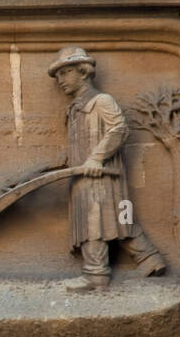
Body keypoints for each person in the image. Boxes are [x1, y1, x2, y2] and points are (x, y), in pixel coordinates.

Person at [48, 46, 165, 292]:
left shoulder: (101, 101)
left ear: (84, 72)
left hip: (100, 174)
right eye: (57, 76)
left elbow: (118, 129)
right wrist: (59, 163)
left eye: (66, 72)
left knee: (96, 220)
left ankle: (95, 275)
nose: (60, 80)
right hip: (83, 173)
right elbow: (78, 143)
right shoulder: (75, 109)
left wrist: (96, 159)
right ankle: (150, 259)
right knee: (115, 219)